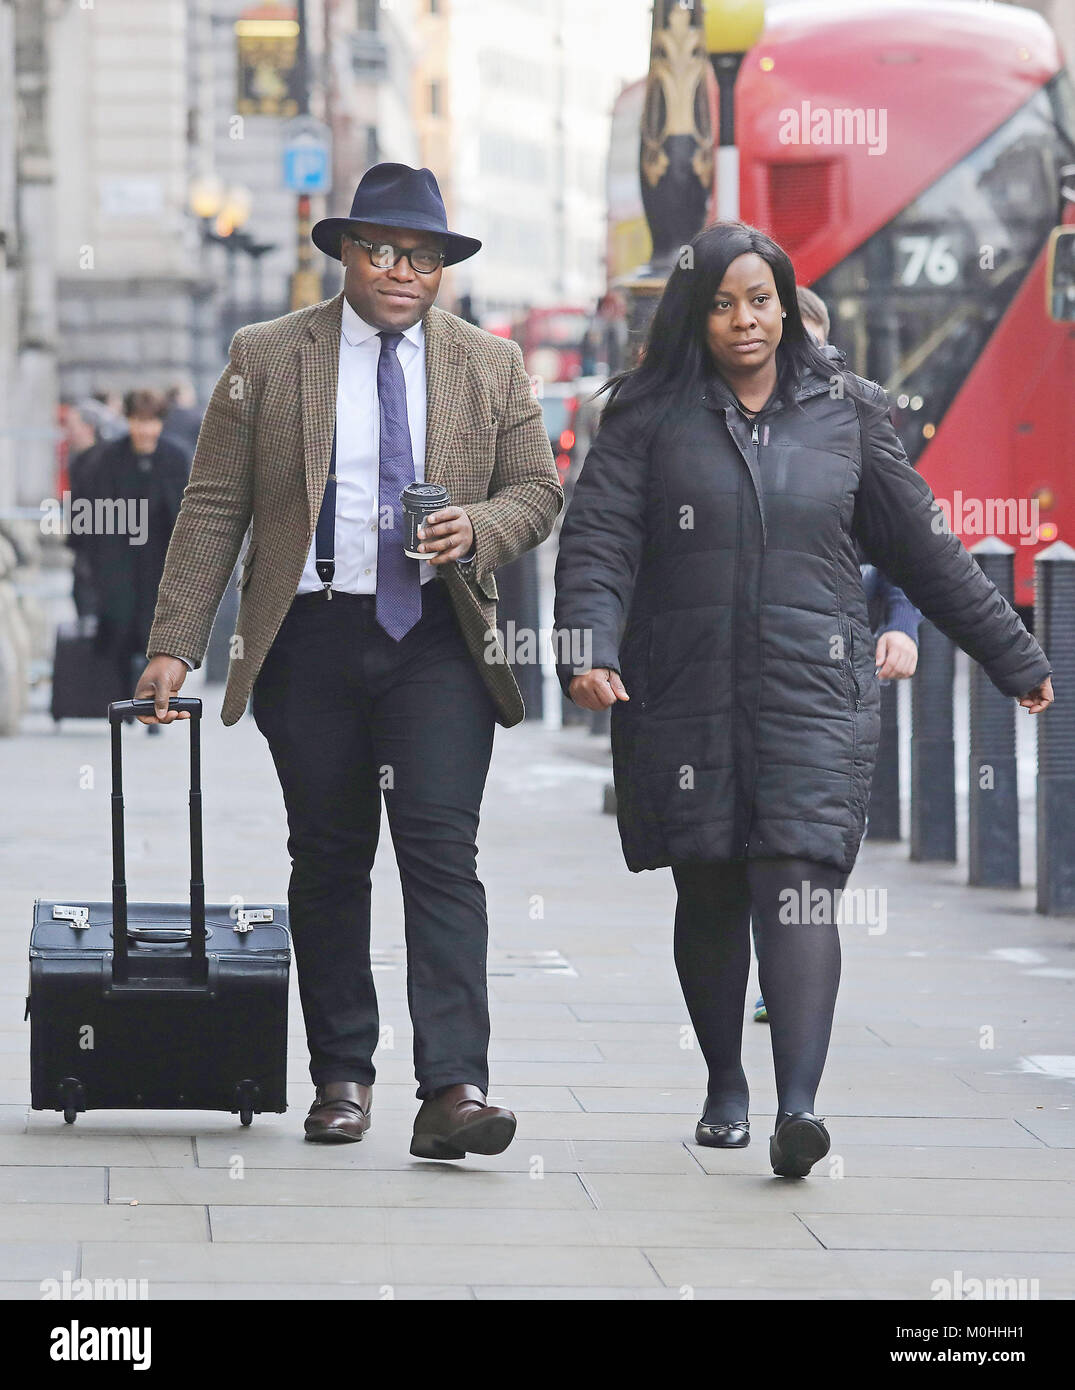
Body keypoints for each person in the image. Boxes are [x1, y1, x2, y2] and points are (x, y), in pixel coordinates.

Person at [553, 221, 1052, 1177]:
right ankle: (723, 1085)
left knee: (796, 886)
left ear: (785, 304)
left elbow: (927, 552)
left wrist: (1014, 657)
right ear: (694, 319)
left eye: (760, 299)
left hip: (812, 688)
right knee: (706, 885)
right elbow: (599, 544)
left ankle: (797, 1108)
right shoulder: (645, 416)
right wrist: (585, 648)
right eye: (722, 304)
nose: (744, 321)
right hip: (683, 685)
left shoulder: (849, 413)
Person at [135, 163, 563, 1157]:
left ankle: (453, 1087)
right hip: (311, 639)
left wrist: (480, 524)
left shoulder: (491, 365)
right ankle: (342, 1076)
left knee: (441, 856)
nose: (404, 271)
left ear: (443, 267)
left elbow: (538, 493)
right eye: (383, 250)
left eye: (423, 256)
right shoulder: (268, 355)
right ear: (345, 254)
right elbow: (211, 506)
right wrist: (172, 643)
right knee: (327, 859)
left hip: (437, 646)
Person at [751, 287, 922, 1024]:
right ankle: (767, 962)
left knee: (819, 829)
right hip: (753, 660)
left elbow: (912, 543)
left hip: (840, 655)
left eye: (817, 347)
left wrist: (903, 626)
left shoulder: (856, 420)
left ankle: (788, 964)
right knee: (748, 838)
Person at [84, 390, 188, 734]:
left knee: (153, 633)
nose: (145, 430)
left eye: (151, 422)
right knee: (120, 626)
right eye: (139, 421)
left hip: (160, 559)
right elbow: (97, 515)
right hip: (120, 560)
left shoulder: (175, 458)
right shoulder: (109, 459)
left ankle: (155, 706)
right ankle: (122, 701)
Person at [61, 401, 105, 620]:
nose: (68, 432)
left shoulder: (104, 461)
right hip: (84, 552)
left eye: (72, 425)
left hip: (99, 555)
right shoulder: (78, 461)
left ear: (89, 427)